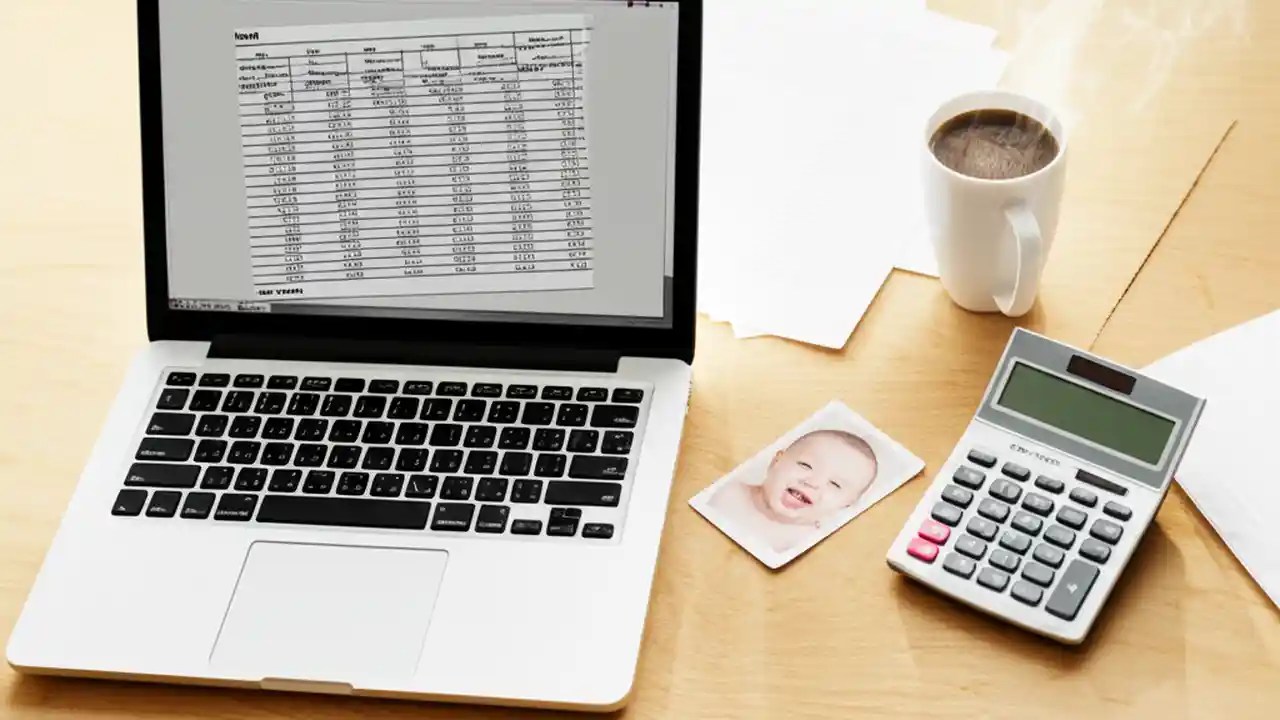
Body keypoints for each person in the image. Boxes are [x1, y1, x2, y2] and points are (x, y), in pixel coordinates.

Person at [707, 429, 879, 554]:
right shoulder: (730, 492)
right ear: (776, 461)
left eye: (835, 484)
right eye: (806, 465)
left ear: (848, 505)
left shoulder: (806, 541)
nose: (813, 483)